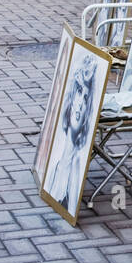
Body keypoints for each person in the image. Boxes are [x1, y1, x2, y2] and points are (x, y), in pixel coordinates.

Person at [43, 54, 99, 207]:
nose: (81, 104)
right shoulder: (55, 161)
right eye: (80, 92)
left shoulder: (74, 166)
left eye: (86, 97)